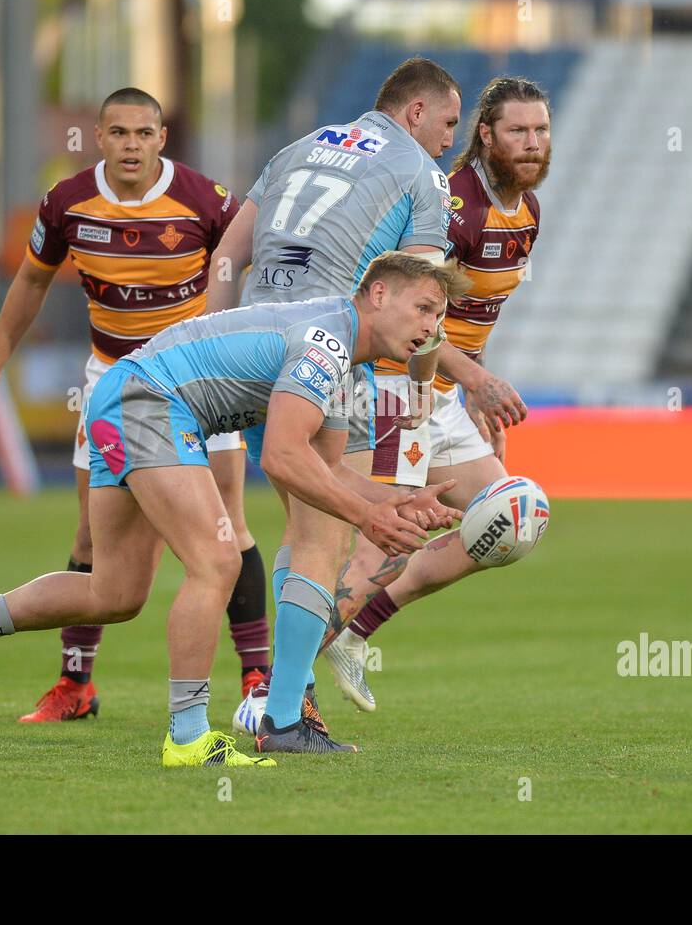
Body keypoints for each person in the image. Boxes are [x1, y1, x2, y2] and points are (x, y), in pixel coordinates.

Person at [0, 252, 465, 768]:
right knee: (218, 562)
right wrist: (367, 518)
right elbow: (283, 454)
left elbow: (328, 471)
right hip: (149, 402)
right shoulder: (328, 344)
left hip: (125, 398)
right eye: (423, 309)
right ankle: (189, 736)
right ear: (378, 295)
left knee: (114, 594)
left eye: (438, 317)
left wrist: (394, 500)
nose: (430, 328)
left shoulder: (351, 368)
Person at [206, 58, 527, 750]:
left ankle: (286, 700)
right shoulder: (422, 175)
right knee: (325, 538)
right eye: (447, 123)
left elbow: (228, 253)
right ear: (415, 113)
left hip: (250, 338)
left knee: (300, 526)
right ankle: (282, 712)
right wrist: (419, 391)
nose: (449, 140)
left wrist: (213, 328)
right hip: (327, 343)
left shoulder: (298, 146)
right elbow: (417, 305)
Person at [0, 88, 272, 722]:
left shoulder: (205, 199)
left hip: (198, 383)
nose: (131, 146)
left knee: (228, 525)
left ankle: (259, 682)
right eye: (119, 133)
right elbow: (32, 279)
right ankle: (75, 686)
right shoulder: (67, 202)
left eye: (143, 133)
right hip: (111, 386)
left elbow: (255, 265)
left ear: (161, 138)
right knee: (92, 541)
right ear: (99, 137)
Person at [322, 76, 552, 710]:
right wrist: (476, 379)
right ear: (486, 135)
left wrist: (477, 391)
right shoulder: (453, 207)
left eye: (540, 130)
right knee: (378, 549)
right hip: (399, 389)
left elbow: (474, 320)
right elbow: (411, 315)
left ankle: (352, 638)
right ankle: (277, 687)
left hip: (447, 395)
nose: (531, 143)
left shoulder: (526, 213)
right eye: (516, 131)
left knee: (510, 518)